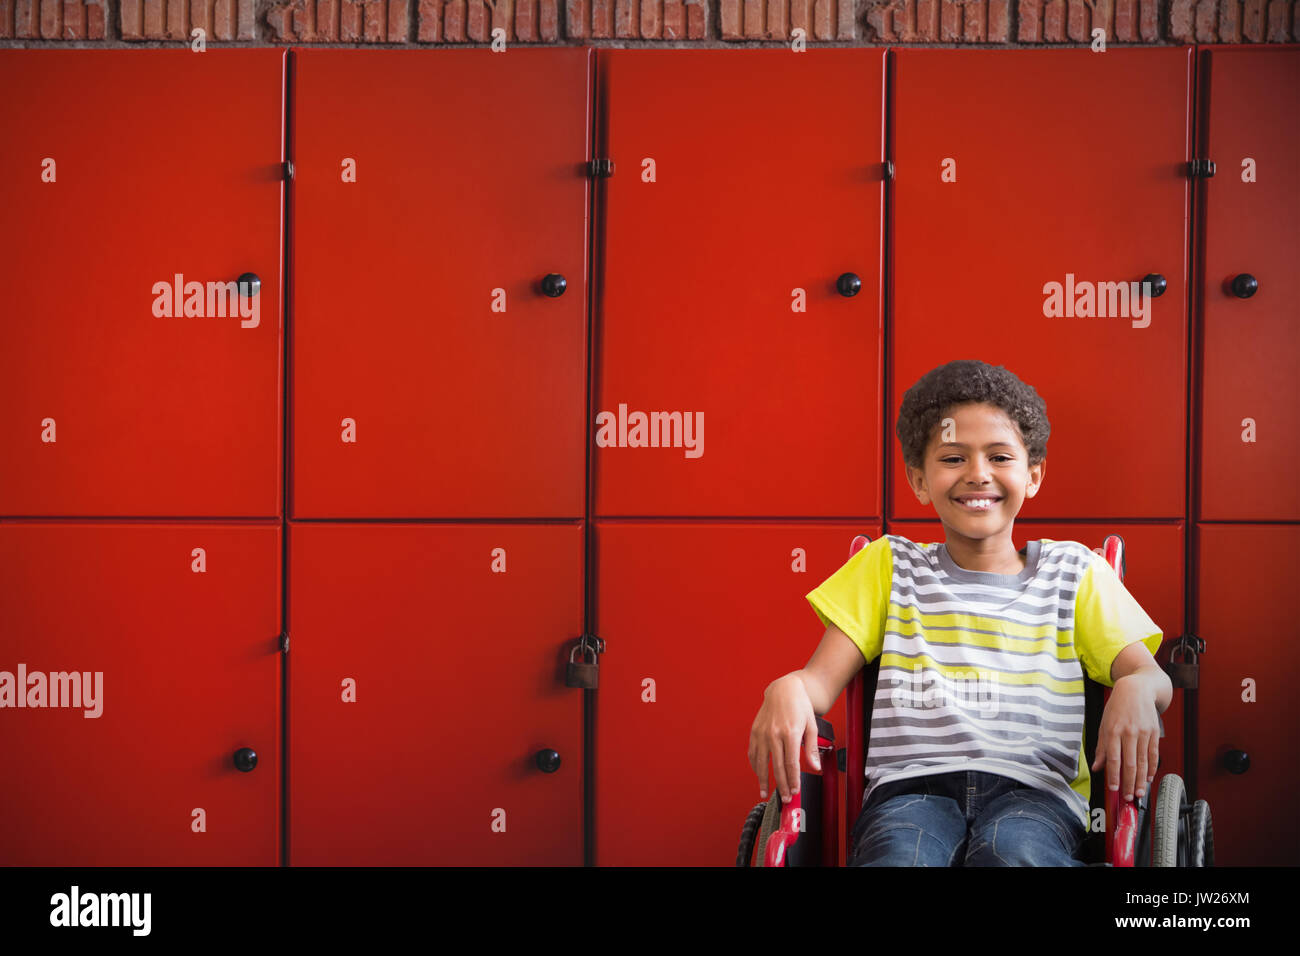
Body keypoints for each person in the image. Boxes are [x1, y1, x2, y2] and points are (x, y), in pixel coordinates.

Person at [748, 359, 1172, 866]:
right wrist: (787, 687)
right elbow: (819, 682)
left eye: (999, 456)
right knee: (901, 856)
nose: (977, 474)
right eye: (952, 458)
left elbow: (1150, 676)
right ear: (920, 480)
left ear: (1032, 475)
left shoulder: (1075, 572)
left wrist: (1136, 684)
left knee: (1012, 853)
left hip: (1035, 793)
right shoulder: (888, 566)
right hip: (910, 791)